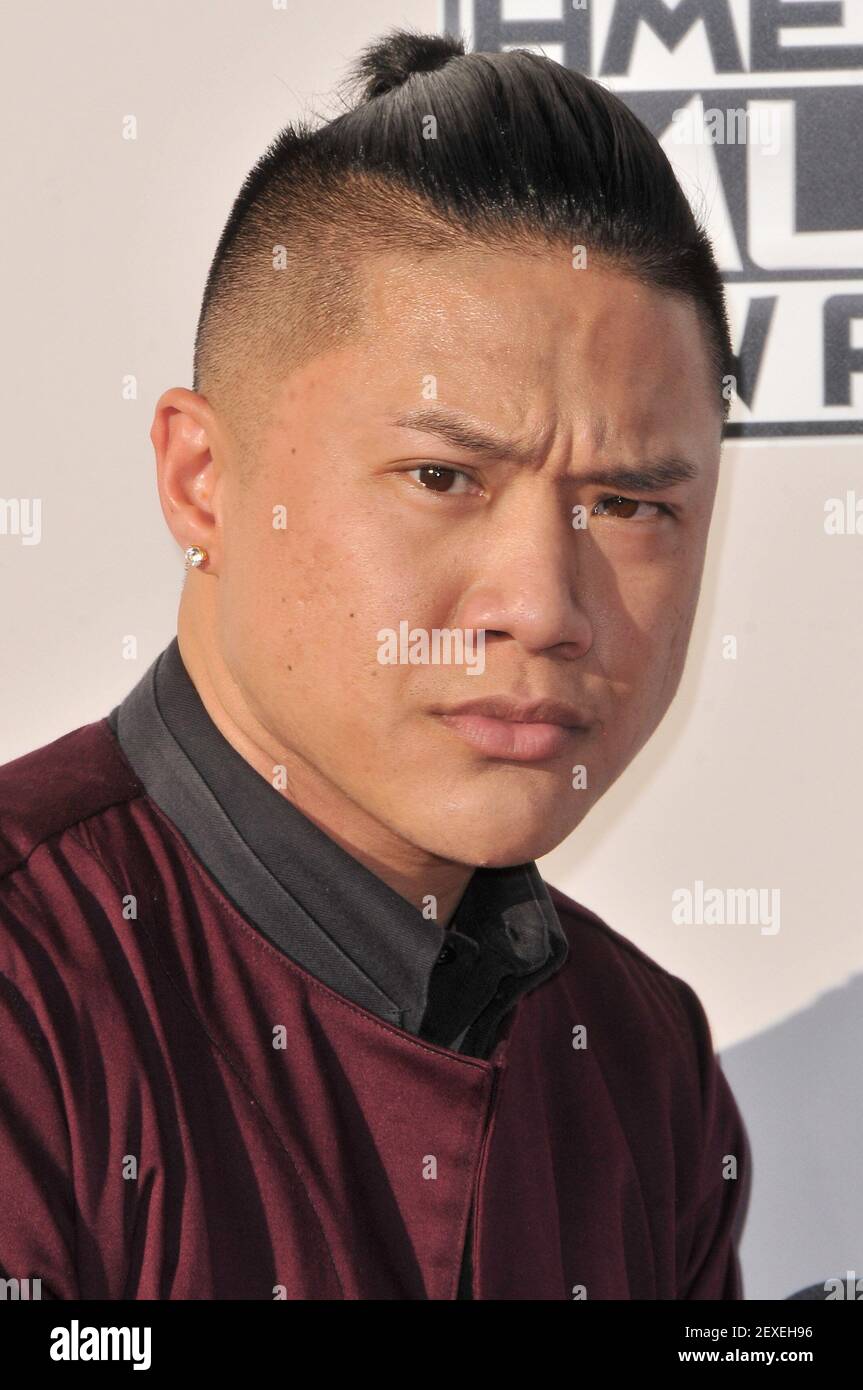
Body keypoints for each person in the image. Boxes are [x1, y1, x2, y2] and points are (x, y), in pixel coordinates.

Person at [0, 27, 750, 1300]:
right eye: (442, 477)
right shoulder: (31, 988)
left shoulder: (638, 1056)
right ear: (204, 480)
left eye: (627, 505)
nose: (542, 604)